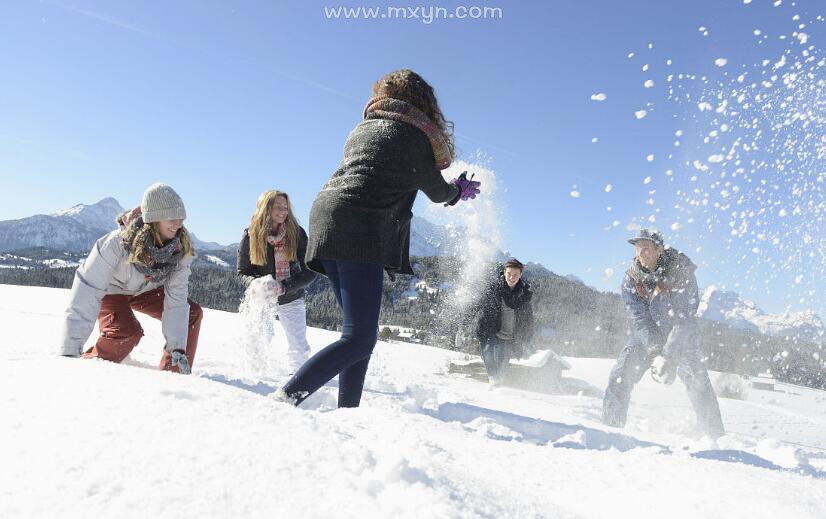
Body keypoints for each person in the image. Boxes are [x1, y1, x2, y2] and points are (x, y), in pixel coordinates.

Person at [276, 68, 481, 408]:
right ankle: (285, 398)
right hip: (361, 228)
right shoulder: (412, 136)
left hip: (328, 219)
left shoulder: (364, 127)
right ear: (423, 103)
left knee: (357, 337)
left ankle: (348, 411)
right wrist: (457, 190)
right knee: (358, 338)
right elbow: (437, 191)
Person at [59, 183, 202, 374]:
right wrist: (70, 349)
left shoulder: (180, 249)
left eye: (181, 217)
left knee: (191, 313)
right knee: (126, 330)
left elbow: (176, 300)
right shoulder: (116, 244)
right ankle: (90, 365)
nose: (178, 223)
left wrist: (177, 348)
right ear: (153, 218)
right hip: (111, 290)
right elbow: (87, 290)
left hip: (146, 291)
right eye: (172, 217)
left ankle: (174, 374)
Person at [603, 229, 724, 438]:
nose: (642, 252)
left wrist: (669, 355)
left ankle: (716, 438)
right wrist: (654, 350)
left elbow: (684, 318)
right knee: (621, 373)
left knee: (698, 381)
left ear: (659, 249)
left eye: (647, 247)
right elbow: (639, 318)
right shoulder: (632, 278)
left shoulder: (680, 270)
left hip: (680, 335)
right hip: (646, 335)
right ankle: (610, 431)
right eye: (638, 248)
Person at [237, 190, 318, 373]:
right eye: (278, 207)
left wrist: (284, 287)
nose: (283, 211)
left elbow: (311, 271)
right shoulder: (251, 234)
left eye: (286, 207)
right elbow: (243, 271)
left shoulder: (296, 233)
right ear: (266, 208)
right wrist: (257, 284)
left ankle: (298, 381)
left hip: (291, 295)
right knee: (259, 341)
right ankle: (257, 379)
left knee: (298, 346)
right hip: (262, 298)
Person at [472, 258, 535, 385]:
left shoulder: (523, 294)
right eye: (509, 274)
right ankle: (494, 384)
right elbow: (476, 305)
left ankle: (498, 390)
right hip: (490, 331)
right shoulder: (493, 289)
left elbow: (528, 319)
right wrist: (463, 325)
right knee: (490, 360)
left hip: (509, 336)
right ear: (504, 273)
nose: (512, 277)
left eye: (515, 275)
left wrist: (527, 339)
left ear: (520, 275)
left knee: (501, 368)